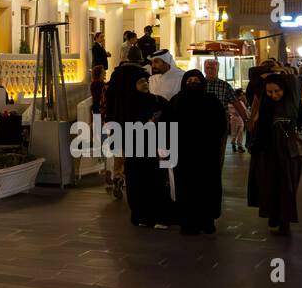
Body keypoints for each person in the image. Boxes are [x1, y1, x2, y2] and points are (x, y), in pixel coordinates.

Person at [107, 63, 171, 227]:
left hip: (155, 150)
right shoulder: (128, 107)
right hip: (136, 151)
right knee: (138, 183)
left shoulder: (158, 101)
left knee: (156, 182)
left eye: (146, 81)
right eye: (140, 82)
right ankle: (141, 215)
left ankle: (159, 216)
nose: (145, 84)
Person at [165, 69, 228, 235]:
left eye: (196, 79)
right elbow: (166, 124)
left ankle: (207, 221)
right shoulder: (176, 101)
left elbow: (221, 124)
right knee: (186, 186)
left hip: (206, 153)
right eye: (190, 79)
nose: (193, 82)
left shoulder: (211, 101)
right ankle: (187, 222)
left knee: (207, 186)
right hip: (183, 152)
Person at [248, 71, 302, 235]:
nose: (274, 95)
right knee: (269, 186)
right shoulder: (266, 104)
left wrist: (274, 72)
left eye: (277, 91)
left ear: (284, 89)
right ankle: (274, 216)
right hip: (268, 151)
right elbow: (254, 77)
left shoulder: (291, 100)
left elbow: (291, 78)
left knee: (286, 187)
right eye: (270, 92)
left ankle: (284, 221)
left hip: (287, 151)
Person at [204, 58, 250, 164]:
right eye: (208, 68)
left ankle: (217, 176)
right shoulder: (201, 85)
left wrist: (246, 120)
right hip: (203, 122)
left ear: (218, 69)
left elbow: (236, 103)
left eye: (213, 68)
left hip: (220, 122)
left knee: (219, 151)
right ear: (204, 69)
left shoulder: (225, 86)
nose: (210, 70)